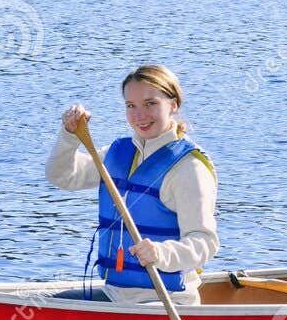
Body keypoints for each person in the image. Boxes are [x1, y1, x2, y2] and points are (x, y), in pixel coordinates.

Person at [49, 64, 219, 305]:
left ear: (173, 104)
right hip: (116, 294)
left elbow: (204, 242)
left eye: (150, 103)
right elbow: (63, 176)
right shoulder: (119, 154)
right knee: (40, 303)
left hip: (167, 300)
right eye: (131, 106)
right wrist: (69, 136)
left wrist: (161, 253)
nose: (140, 115)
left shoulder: (189, 169)